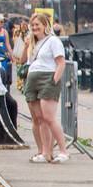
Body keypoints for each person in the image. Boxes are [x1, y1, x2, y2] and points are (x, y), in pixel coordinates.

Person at [24, 11, 69, 164]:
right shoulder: (32, 43)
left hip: (47, 78)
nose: (35, 28)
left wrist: (53, 81)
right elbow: (22, 60)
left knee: (49, 118)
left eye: (37, 25)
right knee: (38, 119)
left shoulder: (53, 41)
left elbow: (61, 63)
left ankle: (63, 151)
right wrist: (25, 46)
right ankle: (45, 153)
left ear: (45, 25)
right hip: (32, 79)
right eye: (33, 25)